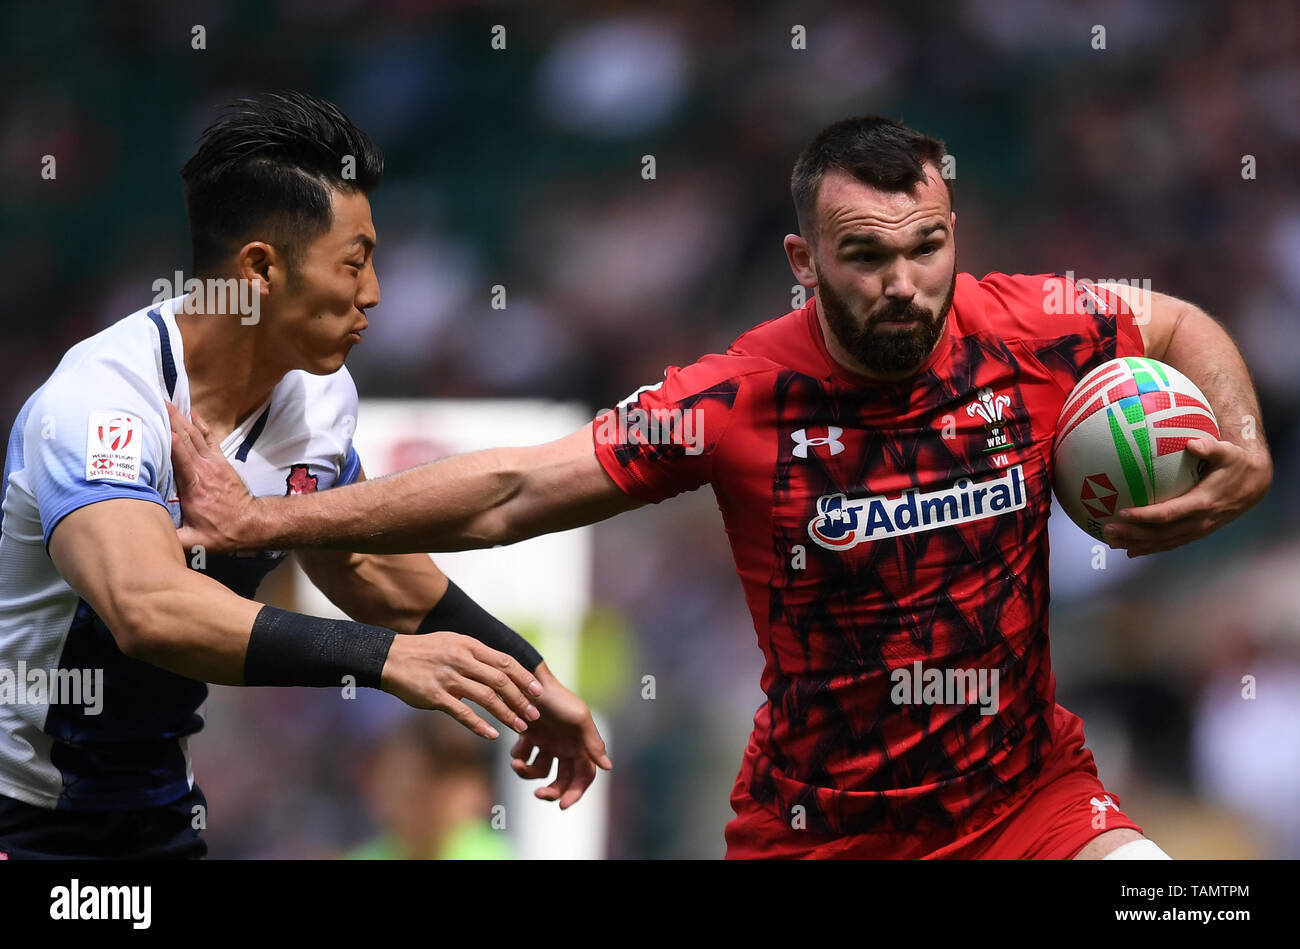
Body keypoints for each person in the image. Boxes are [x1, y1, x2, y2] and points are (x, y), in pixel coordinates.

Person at [168, 115, 1273, 859]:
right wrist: (266, 519)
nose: (905, 283)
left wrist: (1242, 435)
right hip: (821, 830)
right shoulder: (737, 396)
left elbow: (1171, 320)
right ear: (802, 261)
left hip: (1030, 804)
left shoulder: (1026, 327)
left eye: (926, 247)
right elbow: (511, 489)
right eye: (864, 255)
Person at [0, 92, 607, 860]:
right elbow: (146, 607)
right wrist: (383, 661)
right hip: (23, 812)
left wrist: (528, 678)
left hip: (158, 808)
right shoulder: (100, 402)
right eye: (353, 263)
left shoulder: (320, 399)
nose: (374, 292)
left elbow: (358, 563)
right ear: (260, 268)